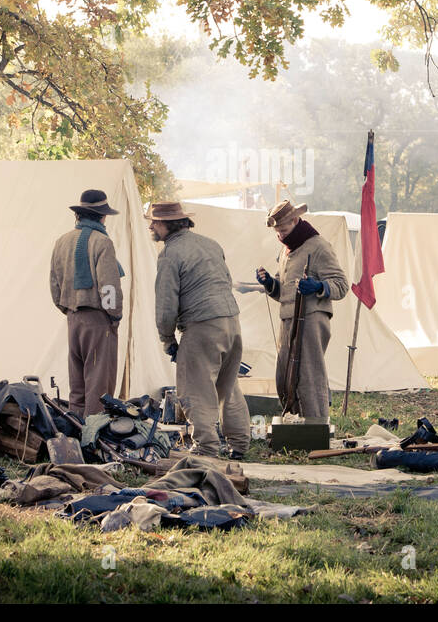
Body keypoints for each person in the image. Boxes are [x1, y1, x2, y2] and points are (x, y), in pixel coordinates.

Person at [147, 201, 250, 459]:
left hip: (202, 325)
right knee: (228, 386)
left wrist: (167, 339)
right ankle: (239, 444)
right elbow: (226, 281)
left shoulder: (170, 254)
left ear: (168, 224)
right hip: (231, 322)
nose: (151, 225)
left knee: (196, 388)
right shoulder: (210, 244)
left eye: (155, 221)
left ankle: (206, 447)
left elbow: (166, 304)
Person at [255, 200, 348, 423]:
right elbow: (283, 291)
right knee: (285, 374)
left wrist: (319, 286)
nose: (280, 236)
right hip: (288, 319)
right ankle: (294, 421)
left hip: (312, 319)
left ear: (296, 221)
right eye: (277, 232)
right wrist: (270, 284)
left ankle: (315, 424)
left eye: (284, 230)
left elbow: (341, 285)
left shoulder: (318, 246)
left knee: (309, 373)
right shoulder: (286, 250)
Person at [49, 189, 124, 418]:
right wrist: (114, 316)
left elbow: (54, 284)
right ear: (102, 217)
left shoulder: (61, 241)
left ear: (79, 216)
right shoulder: (102, 242)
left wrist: (68, 309)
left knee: (78, 382)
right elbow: (109, 286)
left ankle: (75, 431)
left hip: (73, 318)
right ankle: (95, 438)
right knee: (99, 384)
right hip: (98, 319)